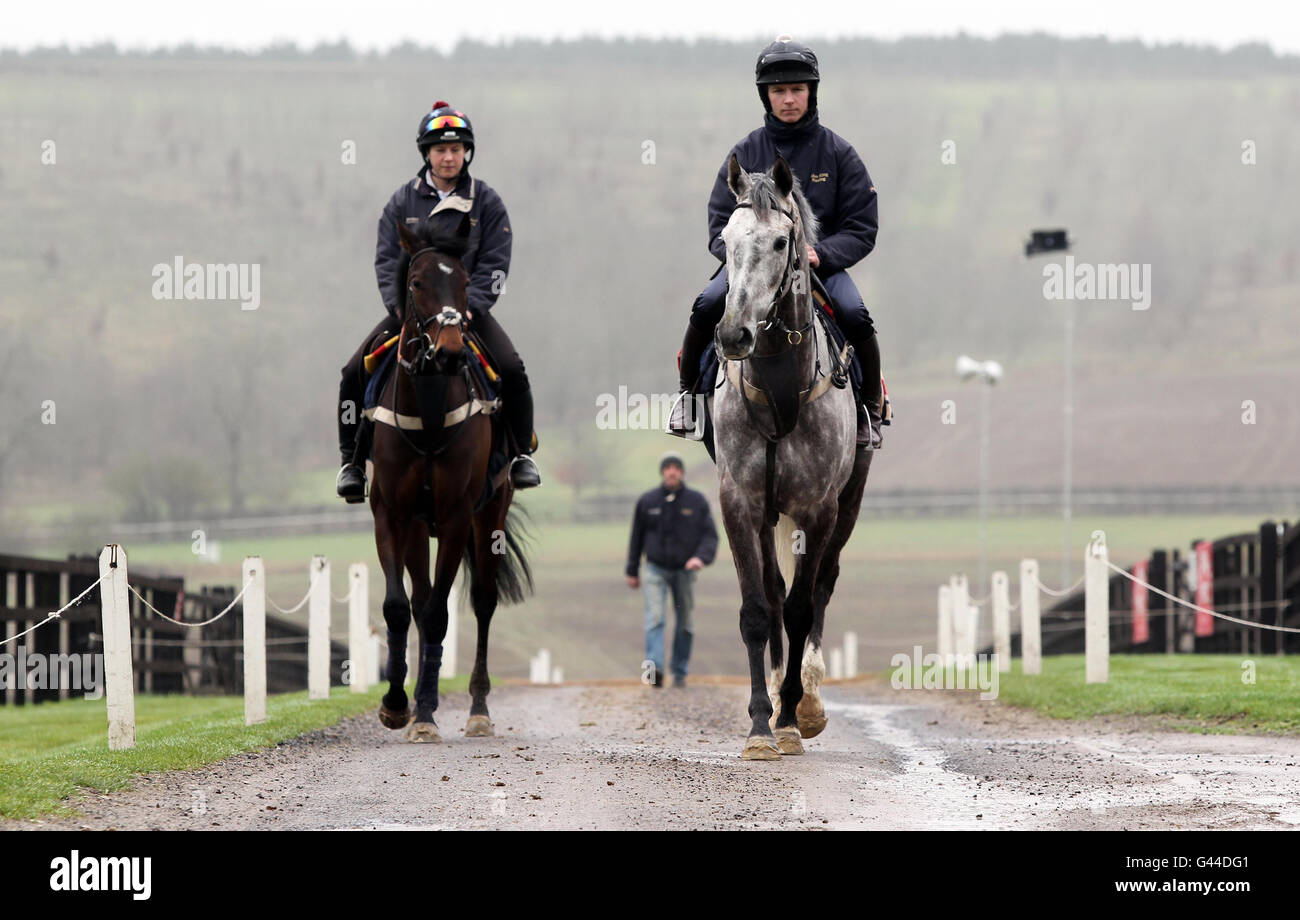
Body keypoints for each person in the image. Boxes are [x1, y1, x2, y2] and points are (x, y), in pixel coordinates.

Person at [668, 36, 885, 450]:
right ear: (766, 96)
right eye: (779, 91)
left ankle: (871, 410)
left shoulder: (839, 154)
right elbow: (719, 222)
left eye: (797, 90)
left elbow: (862, 225)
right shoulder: (745, 152)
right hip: (754, 268)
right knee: (707, 305)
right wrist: (744, 257)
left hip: (817, 269)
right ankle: (689, 396)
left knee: (856, 315)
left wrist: (821, 254)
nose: (789, 99)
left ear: (811, 93)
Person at [336, 101, 541, 501]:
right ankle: (353, 463)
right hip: (413, 313)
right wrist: (401, 309)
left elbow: (496, 264)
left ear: (467, 153)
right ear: (426, 154)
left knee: (512, 369)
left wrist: (471, 307)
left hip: (466, 313)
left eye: (456, 149)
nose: (449, 157)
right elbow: (386, 261)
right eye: (440, 150)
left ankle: (520, 455)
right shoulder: (401, 202)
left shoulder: (487, 202)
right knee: (351, 372)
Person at [625, 452, 718, 688]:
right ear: (662, 472)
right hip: (655, 569)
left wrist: (700, 558)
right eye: (668, 467)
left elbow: (710, 536)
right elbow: (636, 537)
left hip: (685, 570)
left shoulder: (696, 502)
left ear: (682, 472)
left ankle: (680, 672)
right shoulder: (647, 502)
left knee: (685, 622)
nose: (672, 471)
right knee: (655, 618)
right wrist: (632, 570)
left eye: (676, 467)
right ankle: (654, 669)